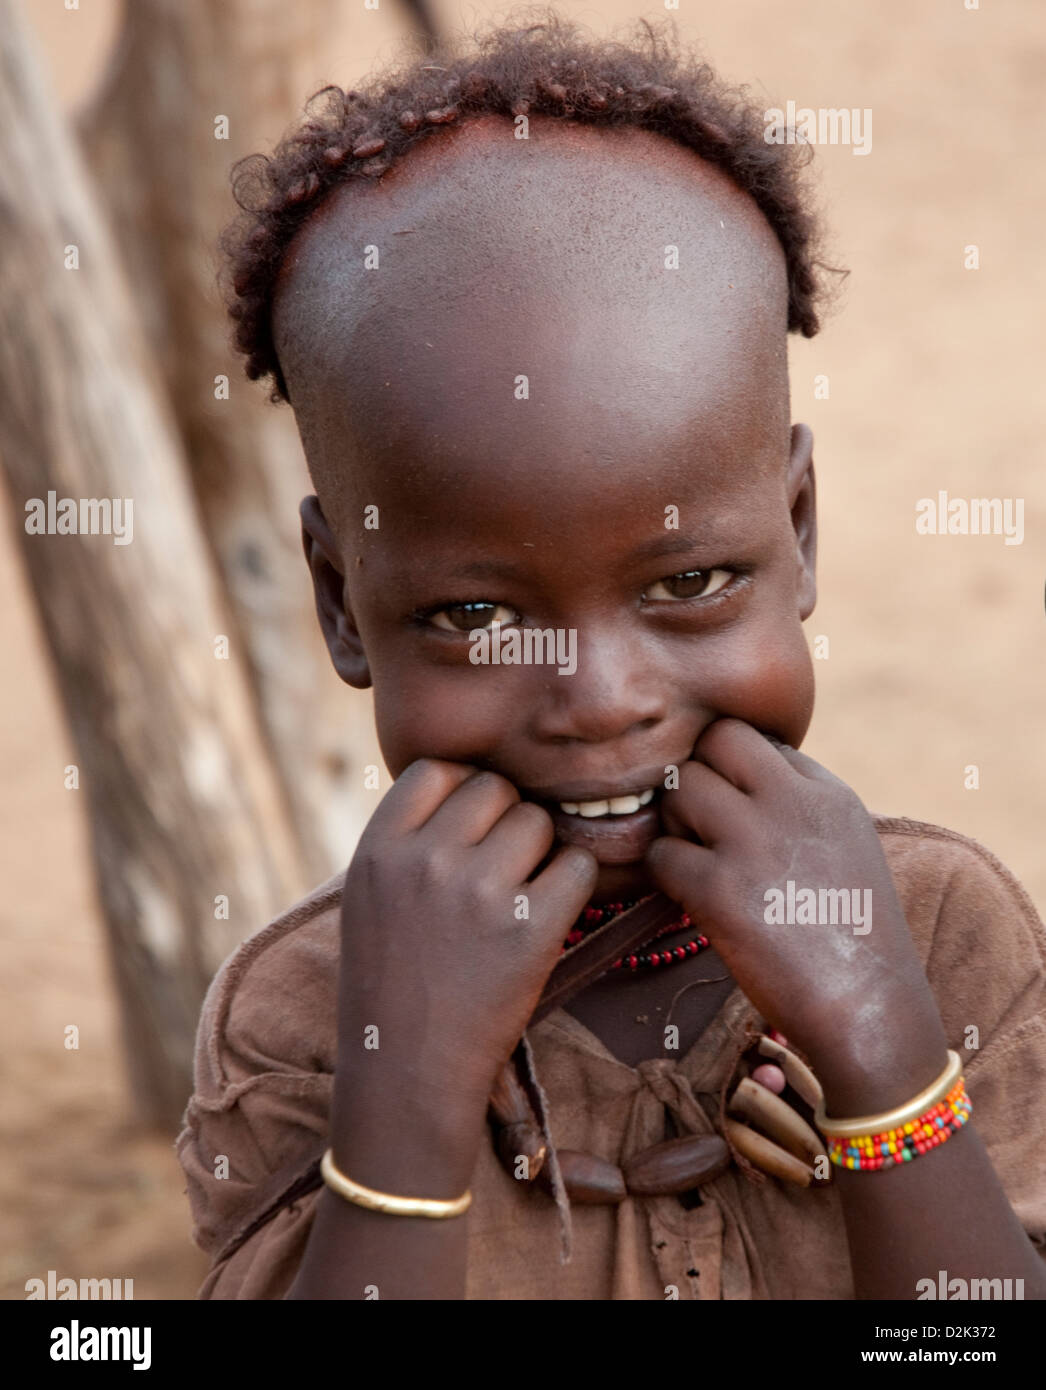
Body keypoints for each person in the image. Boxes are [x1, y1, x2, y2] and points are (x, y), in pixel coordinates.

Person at [176, 10, 1046, 1299]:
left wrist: (887, 1072)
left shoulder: (937, 936)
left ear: (797, 536)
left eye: (689, 583)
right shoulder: (302, 1017)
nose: (600, 702)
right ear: (343, 601)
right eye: (475, 619)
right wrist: (404, 1112)